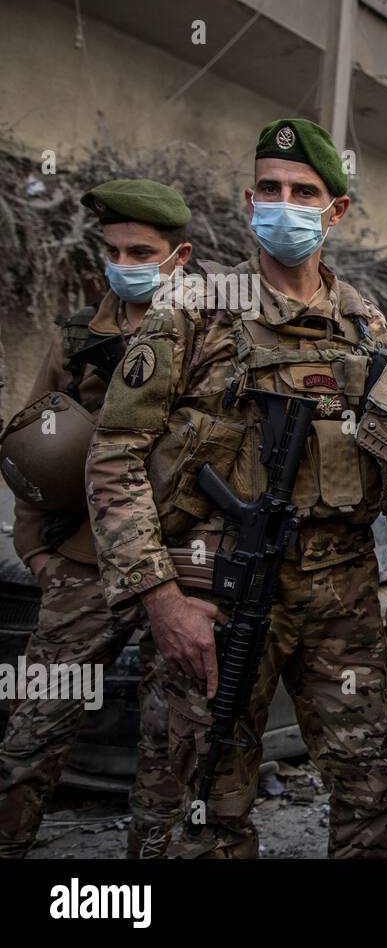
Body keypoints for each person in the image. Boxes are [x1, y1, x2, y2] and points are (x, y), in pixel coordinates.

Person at [85, 119, 387, 858]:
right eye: (270, 190)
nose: (285, 205)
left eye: (304, 192)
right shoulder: (193, 311)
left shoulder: (365, 326)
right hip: (215, 592)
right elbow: (115, 457)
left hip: (341, 596)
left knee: (371, 791)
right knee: (199, 801)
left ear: (334, 211)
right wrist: (161, 598)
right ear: (249, 203)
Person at [0, 180, 189, 858]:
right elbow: (28, 447)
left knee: (172, 753)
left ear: (179, 258)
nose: (124, 262)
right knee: (31, 732)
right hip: (85, 565)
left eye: (142, 251)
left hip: (180, 571)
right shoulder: (77, 336)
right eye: (112, 249)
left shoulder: (215, 339)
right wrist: (38, 554)